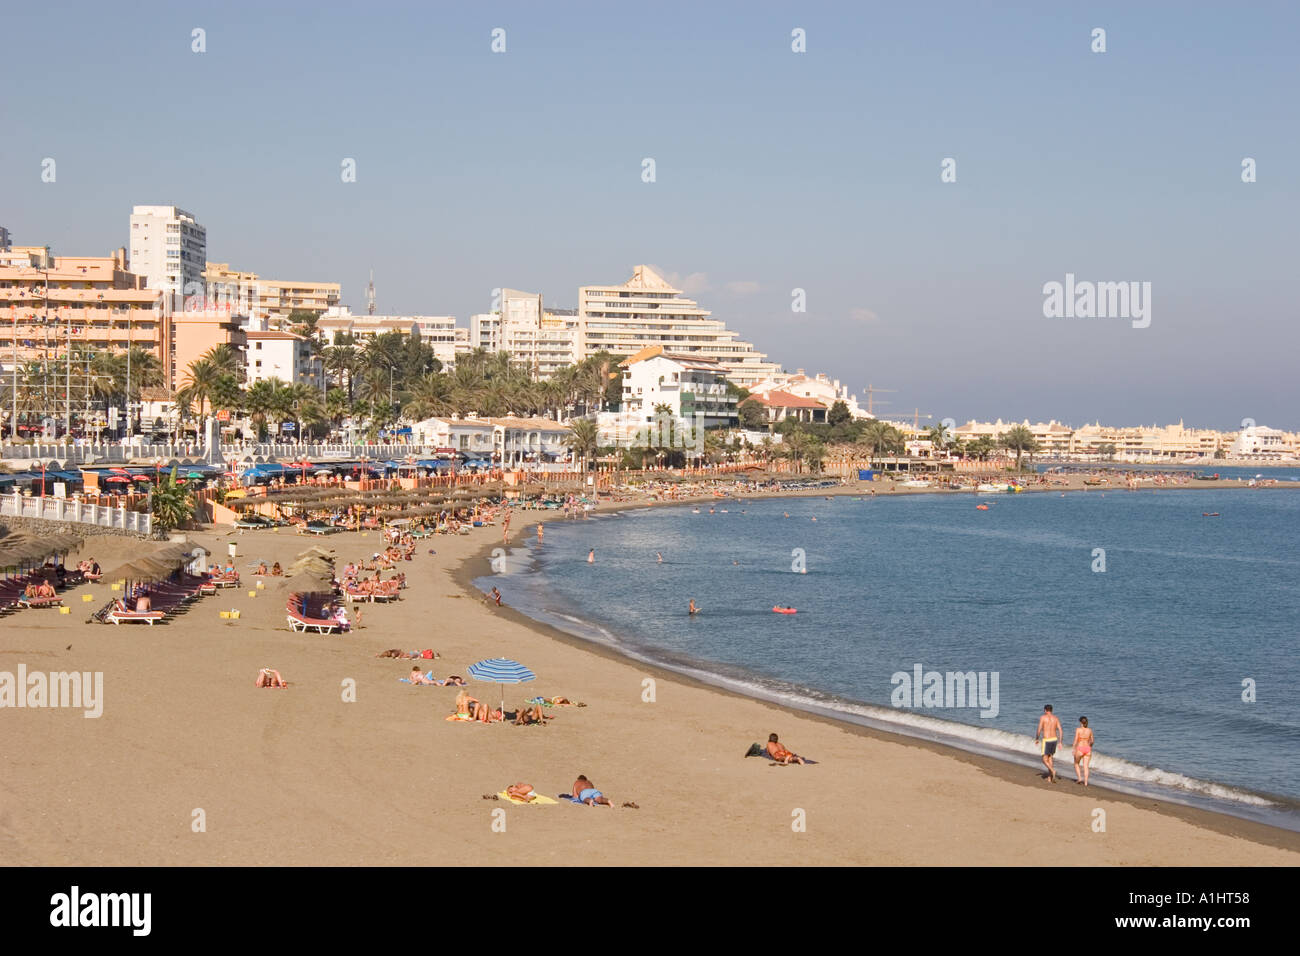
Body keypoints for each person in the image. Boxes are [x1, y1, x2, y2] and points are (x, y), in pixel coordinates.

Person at [1035, 704, 1063, 783]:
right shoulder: (1056, 718)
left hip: (1046, 740)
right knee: (1050, 758)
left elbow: (1039, 729)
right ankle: (1050, 778)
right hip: (1054, 739)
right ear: (1052, 710)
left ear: (1045, 710)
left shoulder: (1043, 717)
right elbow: (1060, 730)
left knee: (1044, 759)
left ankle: (1052, 771)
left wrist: (1037, 738)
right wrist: (1060, 742)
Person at [1072, 716, 1095, 786]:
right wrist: (1090, 746)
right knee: (1086, 766)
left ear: (1080, 722)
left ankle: (1079, 778)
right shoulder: (1090, 730)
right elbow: (1092, 741)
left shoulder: (1078, 729)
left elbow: (1076, 740)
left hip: (1080, 748)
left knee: (1076, 763)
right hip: (1087, 749)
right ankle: (1086, 782)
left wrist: (1073, 749)